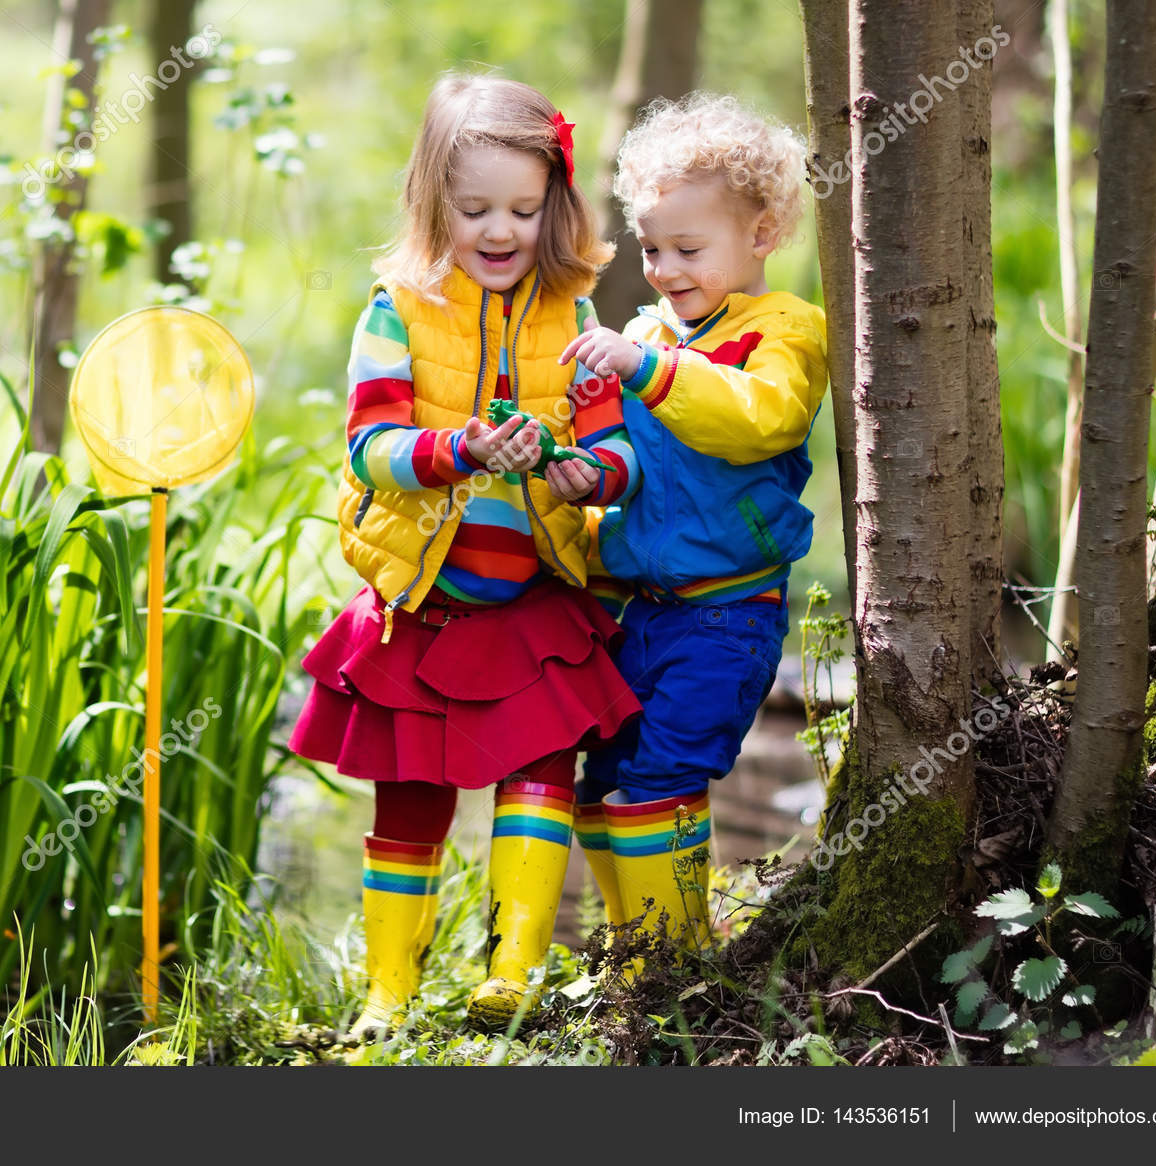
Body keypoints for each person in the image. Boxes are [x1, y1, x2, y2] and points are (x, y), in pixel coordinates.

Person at [288, 73, 642, 1038]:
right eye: (475, 208)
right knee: (409, 796)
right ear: (430, 202)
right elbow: (371, 448)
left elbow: (615, 449)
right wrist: (461, 452)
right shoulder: (397, 309)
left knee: (542, 770)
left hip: (532, 601)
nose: (500, 231)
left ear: (555, 208)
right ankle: (386, 994)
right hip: (420, 598)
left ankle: (511, 971)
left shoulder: (570, 318)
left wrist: (586, 477)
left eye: (524, 210)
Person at [559, 92, 829, 960]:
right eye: (651, 249)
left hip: (727, 612)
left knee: (664, 774)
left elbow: (759, 422)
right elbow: (630, 459)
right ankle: (638, 943)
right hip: (638, 605)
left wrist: (646, 365)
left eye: (689, 248)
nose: (666, 268)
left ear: (761, 235)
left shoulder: (780, 331)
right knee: (603, 781)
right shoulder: (645, 332)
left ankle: (669, 959)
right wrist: (586, 476)